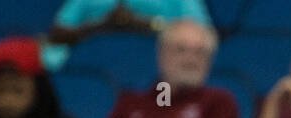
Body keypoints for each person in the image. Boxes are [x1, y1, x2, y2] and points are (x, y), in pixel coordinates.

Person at [93, 20, 240, 118]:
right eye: (180, 50)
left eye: (200, 52)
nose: (190, 59)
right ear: (162, 54)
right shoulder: (131, 101)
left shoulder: (219, 101)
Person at [44, 0, 212, 71]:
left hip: (160, 80)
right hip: (95, 69)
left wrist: (145, 24)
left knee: (163, 110)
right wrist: (103, 25)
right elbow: (58, 33)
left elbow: (202, 33)